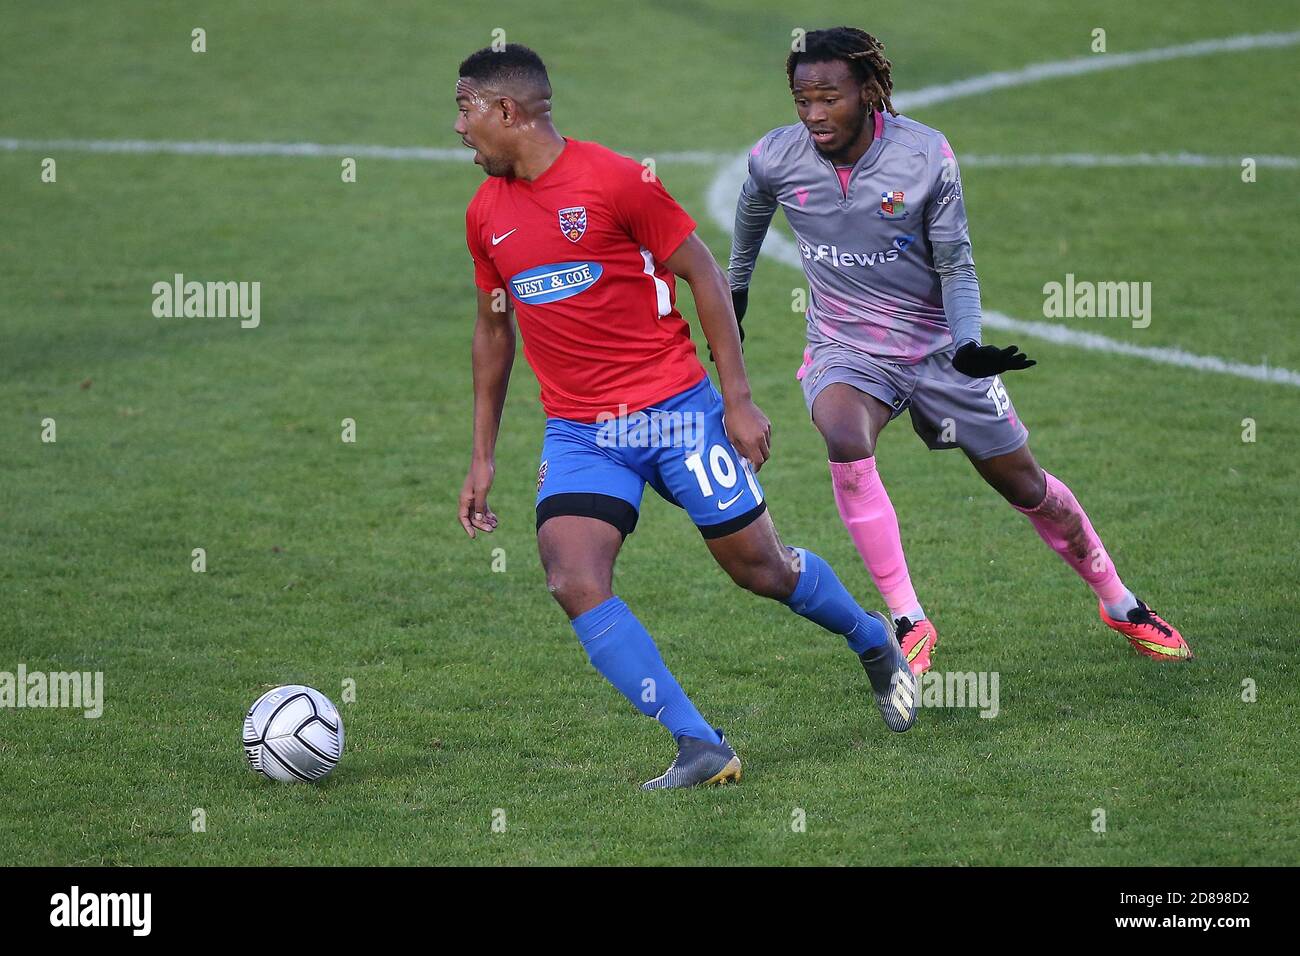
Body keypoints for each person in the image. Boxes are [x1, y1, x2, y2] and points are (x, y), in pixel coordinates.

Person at [454, 43, 918, 791]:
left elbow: (701, 269)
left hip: (675, 412)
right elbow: (492, 329)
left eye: (465, 106)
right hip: (582, 432)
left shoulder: (614, 181)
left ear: (508, 111)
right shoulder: (486, 214)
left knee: (762, 571)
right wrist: (483, 455)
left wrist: (735, 398)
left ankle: (872, 641)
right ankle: (699, 743)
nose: (458, 126)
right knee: (573, 576)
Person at [727, 27, 1191, 672]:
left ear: (867, 91)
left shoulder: (923, 156)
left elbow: (957, 265)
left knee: (1027, 486)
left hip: (938, 345)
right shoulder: (777, 156)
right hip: (847, 343)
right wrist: (737, 291)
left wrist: (969, 344)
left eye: (827, 99)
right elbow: (749, 216)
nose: (812, 115)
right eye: (801, 100)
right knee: (843, 436)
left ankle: (1118, 600)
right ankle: (909, 619)